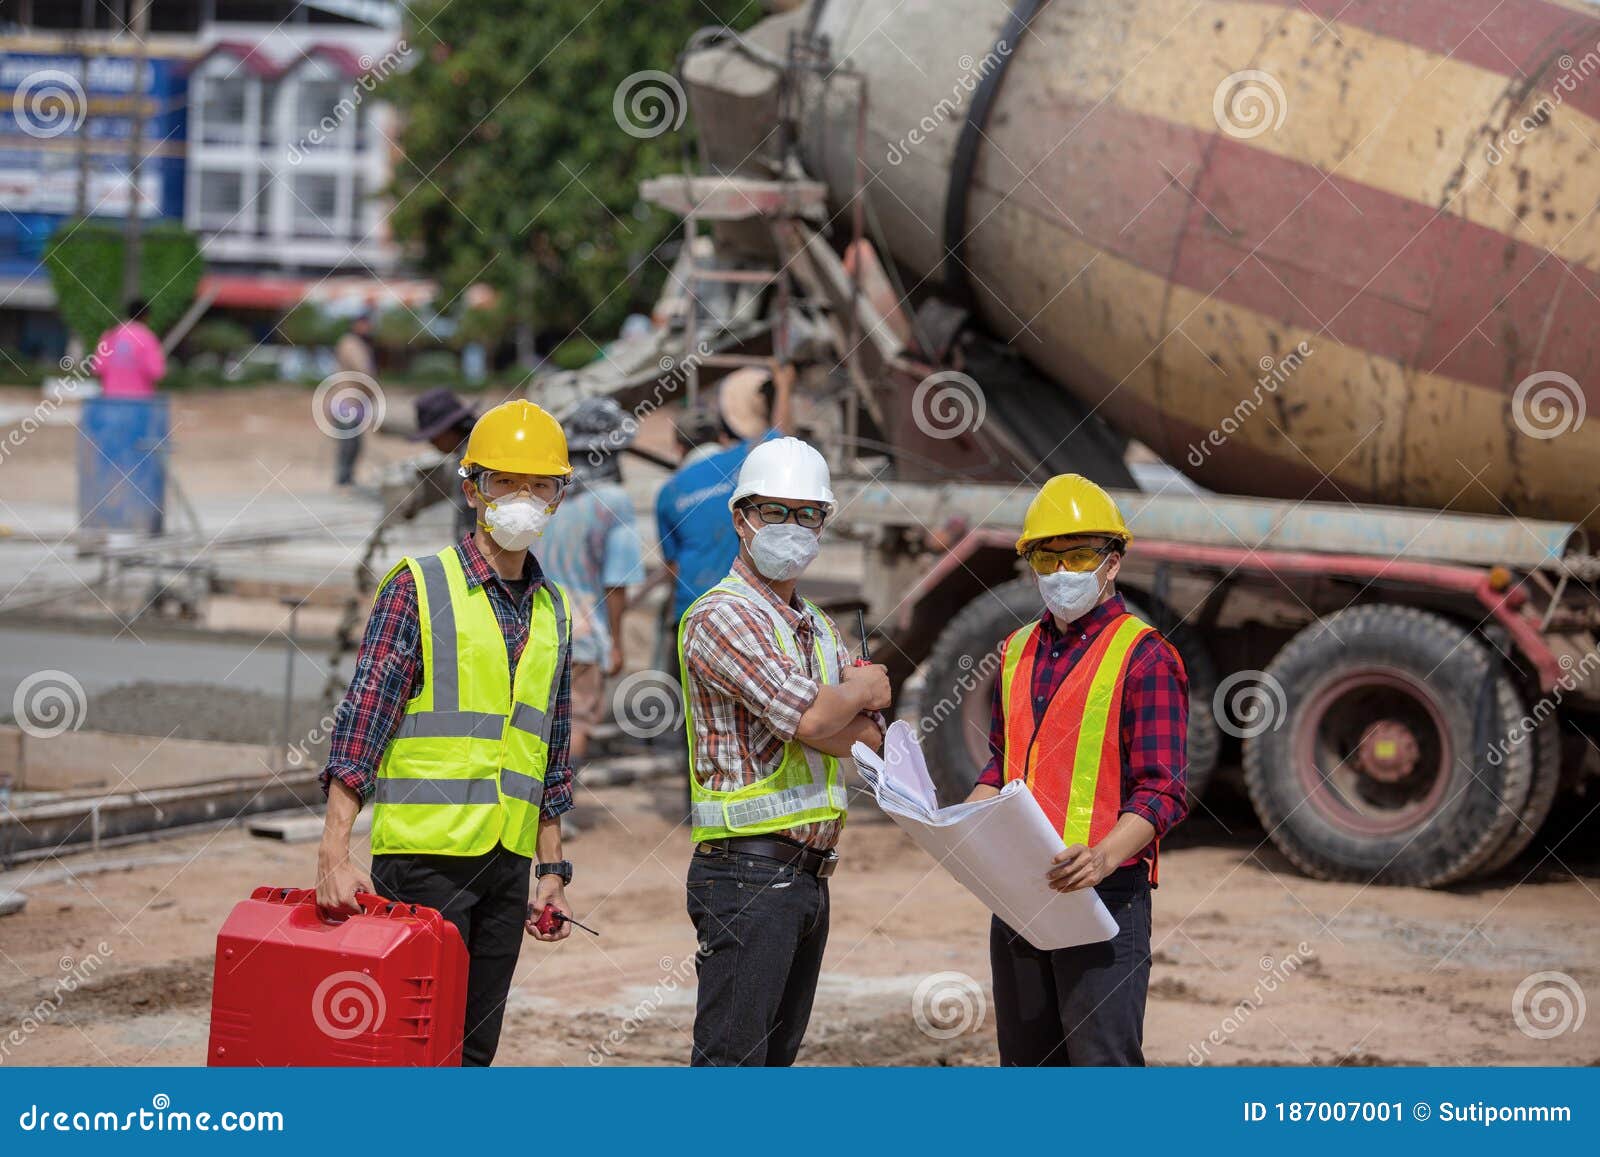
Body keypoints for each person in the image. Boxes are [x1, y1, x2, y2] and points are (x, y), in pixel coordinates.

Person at [316, 399, 580, 1067]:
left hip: (506, 862)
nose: (523, 499)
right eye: (505, 482)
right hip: (424, 862)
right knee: (413, 1047)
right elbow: (363, 723)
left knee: (473, 1052)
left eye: (540, 485)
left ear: (558, 496)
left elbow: (550, 754)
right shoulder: (418, 588)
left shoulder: (554, 609)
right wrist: (334, 850)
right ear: (472, 489)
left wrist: (551, 870)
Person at [678, 436, 890, 1066]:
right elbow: (819, 715)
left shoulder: (816, 625)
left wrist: (831, 711)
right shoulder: (722, 617)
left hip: (807, 876)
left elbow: (869, 735)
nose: (792, 527)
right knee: (732, 1063)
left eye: (807, 514)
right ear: (741, 518)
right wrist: (857, 691)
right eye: (775, 511)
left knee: (774, 1061)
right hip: (746, 874)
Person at [966, 474, 1189, 1066]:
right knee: (1028, 1068)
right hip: (1021, 894)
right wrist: (962, 820)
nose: (1062, 571)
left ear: (1112, 562)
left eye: (1081, 555)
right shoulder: (1015, 650)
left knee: (1100, 1069)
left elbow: (1164, 790)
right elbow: (1002, 762)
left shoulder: (1145, 656)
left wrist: (1103, 856)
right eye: (1047, 557)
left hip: (1104, 899)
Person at [538, 397, 646, 762]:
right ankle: (562, 798)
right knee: (576, 725)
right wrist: (616, 643)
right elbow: (616, 582)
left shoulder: (545, 496)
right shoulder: (614, 501)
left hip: (534, 630)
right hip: (583, 635)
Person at [655, 362, 792, 633]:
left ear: (679, 447)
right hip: (746, 608)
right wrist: (785, 383)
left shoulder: (668, 492)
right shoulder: (745, 459)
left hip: (692, 610)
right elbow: (782, 436)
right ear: (719, 437)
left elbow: (672, 567)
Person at [409, 387, 479, 539]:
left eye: (433, 436)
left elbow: (469, 523)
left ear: (449, 429)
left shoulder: (471, 460)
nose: (431, 442)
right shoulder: (468, 451)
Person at [331, 314, 378, 487]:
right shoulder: (350, 343)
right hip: (346, 403)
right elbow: (363, 371)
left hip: (356, 403)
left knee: (355, 444)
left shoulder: (361, 344)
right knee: (349, 443)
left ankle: (348, 477)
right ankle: (343, 479)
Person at [95, 300, 166, 398]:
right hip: (139, 400)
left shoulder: (111, 334)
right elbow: (156, 372)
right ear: (146, 316)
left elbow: (98, 368)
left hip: (111, 399)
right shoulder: (148, 337)